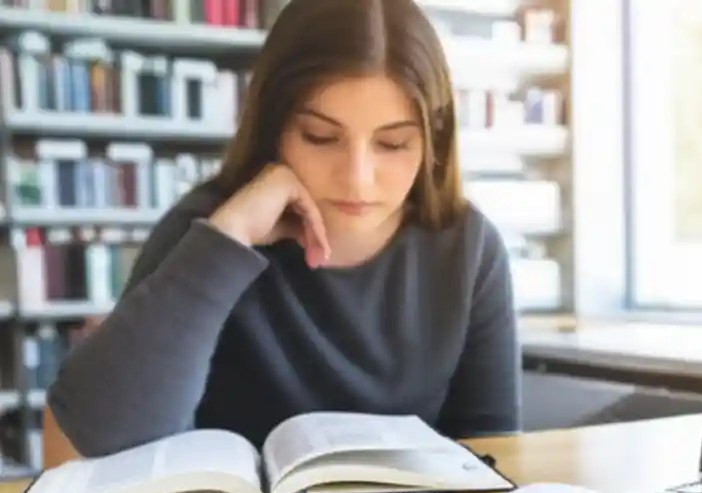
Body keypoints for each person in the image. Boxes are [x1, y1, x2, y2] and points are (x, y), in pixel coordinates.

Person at [43, 0, 521, 468]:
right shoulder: (207, 228)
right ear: (275, 127)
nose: (358, 177)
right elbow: (103, 447)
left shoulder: (469, 247)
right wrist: (229, 238)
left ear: (433, 137)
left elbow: (493, 456)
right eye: (320, 137)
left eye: (393, 143)